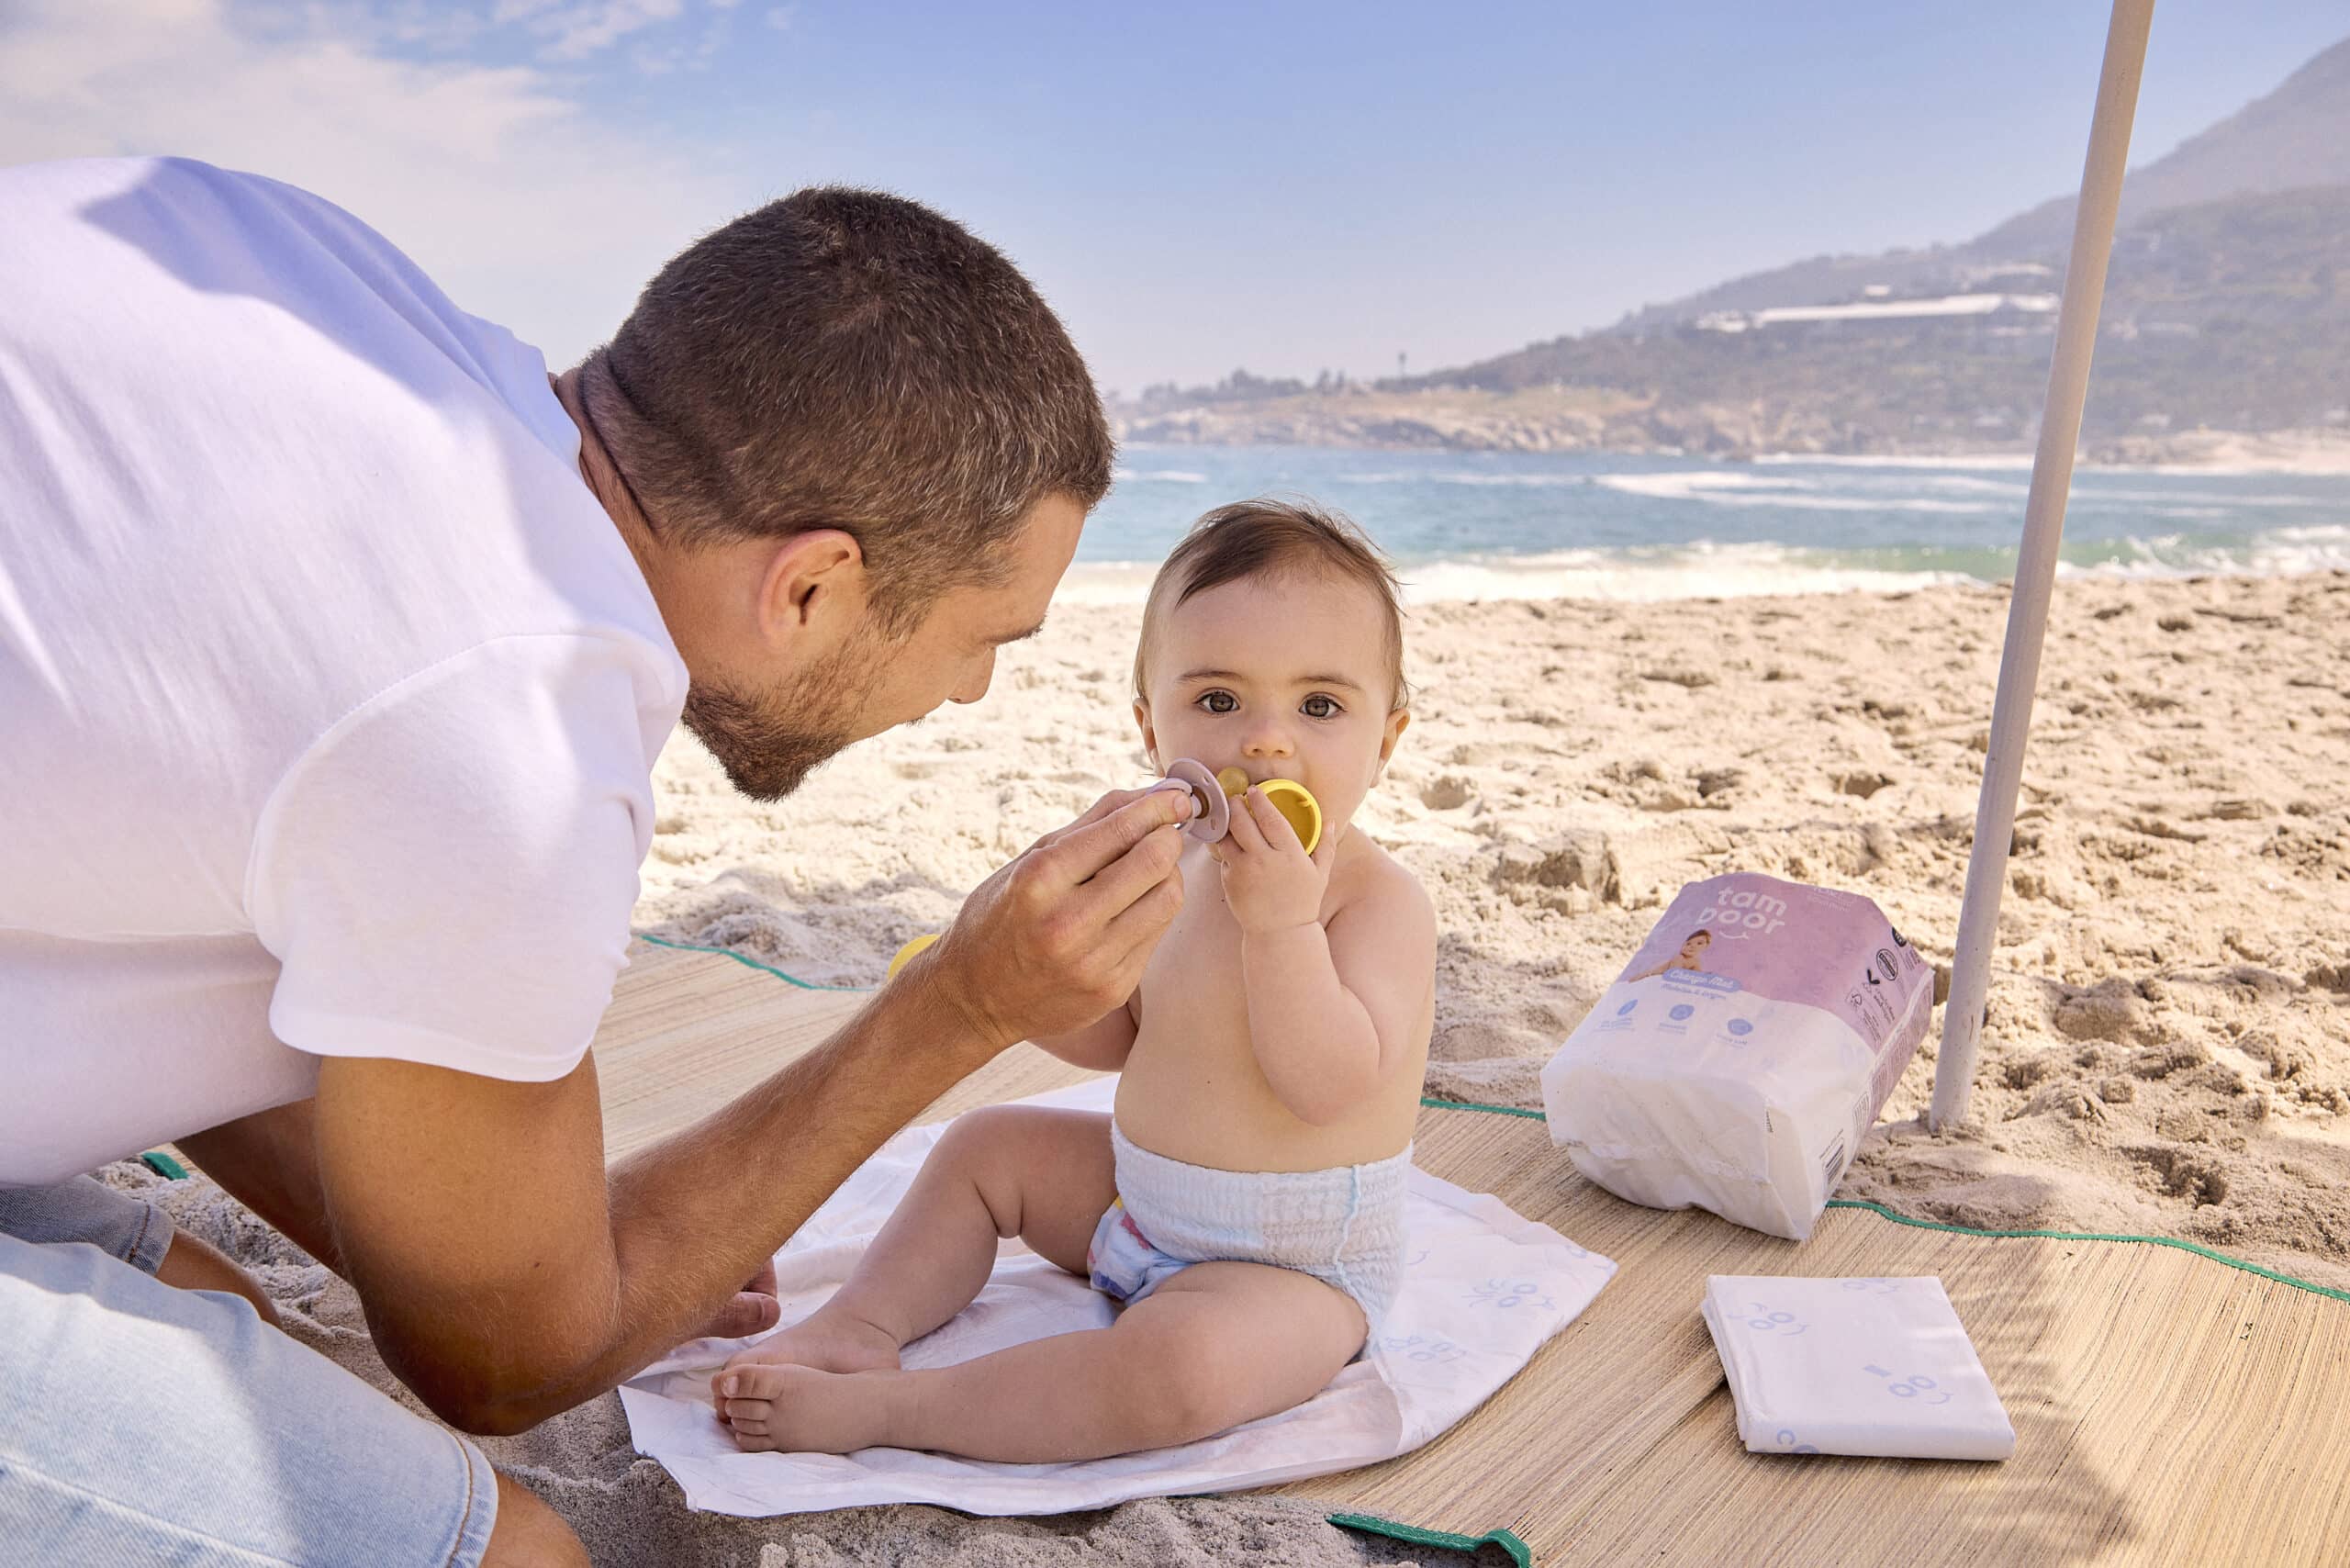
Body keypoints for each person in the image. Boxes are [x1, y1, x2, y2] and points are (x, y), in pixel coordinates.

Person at [0, 156, 1192, 1565]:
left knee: (232, 1327)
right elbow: (496, 1366)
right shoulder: (511, 728)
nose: (971, 696)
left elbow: (155, 847)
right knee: (517, 1557)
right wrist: (961, 1011)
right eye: (985, 637)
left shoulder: (312, 270)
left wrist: (599, 1245)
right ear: (810, 585)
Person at [714, 498, 1437, 1462]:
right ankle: (861, 1325)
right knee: (985, 1149)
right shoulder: (1172, 863)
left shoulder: (1376, 902)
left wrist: (1283, 927)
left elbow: (1327, 1085)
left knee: (1177, 1373)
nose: (1266, 742)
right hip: (1133, 1203)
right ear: (1152, 724)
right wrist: (1008, 992)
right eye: (1219, 702)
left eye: (1319, 706)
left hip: (1289, 1267)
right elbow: (1122, 1035)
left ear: (1383, 742)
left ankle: (901, 1412)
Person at [1629, 928, 1714, 982]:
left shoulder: (1695, 961)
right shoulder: (1680, 958)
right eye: (1688, 944)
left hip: (1665, 978)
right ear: (1682, 946)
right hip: (1652, 975)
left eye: (1699, 943)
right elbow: (1674, 973)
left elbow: (1697, 975)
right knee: (1640, 977)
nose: (1692, 946)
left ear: (1706, 947)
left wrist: (1705, 977)